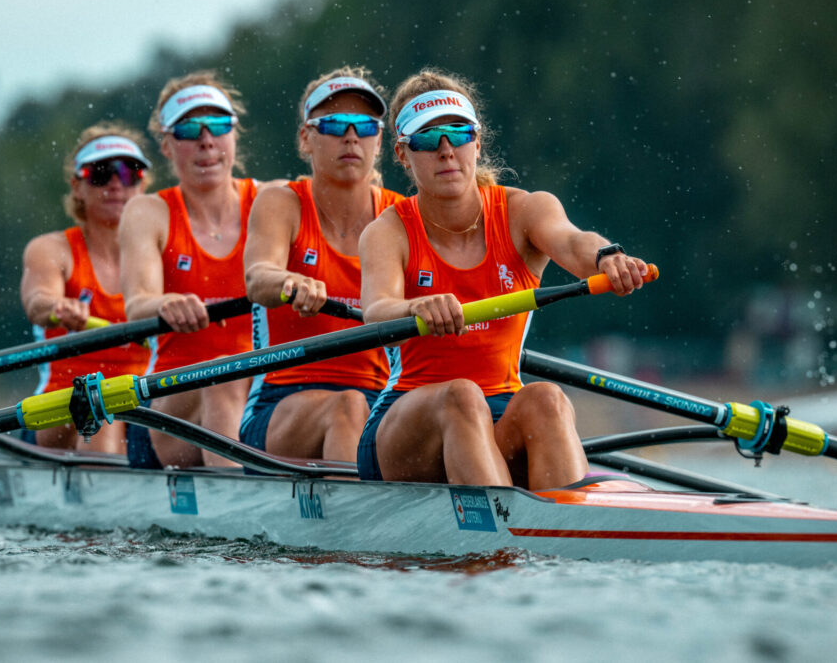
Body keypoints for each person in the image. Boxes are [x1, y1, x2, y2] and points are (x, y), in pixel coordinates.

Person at [357, 69, 649, 488]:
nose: (446, 150)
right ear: (403, 154)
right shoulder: (388, 231)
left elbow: (574, 242)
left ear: (476, 143)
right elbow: (377, 310)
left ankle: (567, 523)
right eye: (427, 138)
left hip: (500, 414)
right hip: (406, 426)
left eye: (458, 134)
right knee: (462, 395)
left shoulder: (524, 211)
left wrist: (607, 256)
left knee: (547, 398)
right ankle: (509, 521)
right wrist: (415, 306)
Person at [241, 67, 402, 462]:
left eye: (365, 126)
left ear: (378, 141)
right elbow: (257, 277)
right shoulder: (281, 204)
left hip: (383, 399)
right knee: (348, 406)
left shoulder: (401, 216)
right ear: (305, 139)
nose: (351, 136)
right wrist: (288, 282)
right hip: (282, 400)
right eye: (334, 124)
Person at [119, 72, 262, 468]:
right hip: (174, 398)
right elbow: (138, 304)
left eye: (218, 125)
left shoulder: (271, 200)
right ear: (166, 145)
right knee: (222, 376)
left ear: (233, 134)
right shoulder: (148, 212)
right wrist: (165, 303)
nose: (206, 141)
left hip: (266, 387)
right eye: (188, 130)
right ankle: (238, 500)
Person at [20, 123, 154, 454]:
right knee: (102, 410)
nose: (115, 184)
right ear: (77, 187)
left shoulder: (164, 253)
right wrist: (57, 308)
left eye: (128, 172)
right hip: (63, 404)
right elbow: (38, 301)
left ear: (142, 185)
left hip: (145, 398)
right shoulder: (52, 249)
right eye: (101, 174)